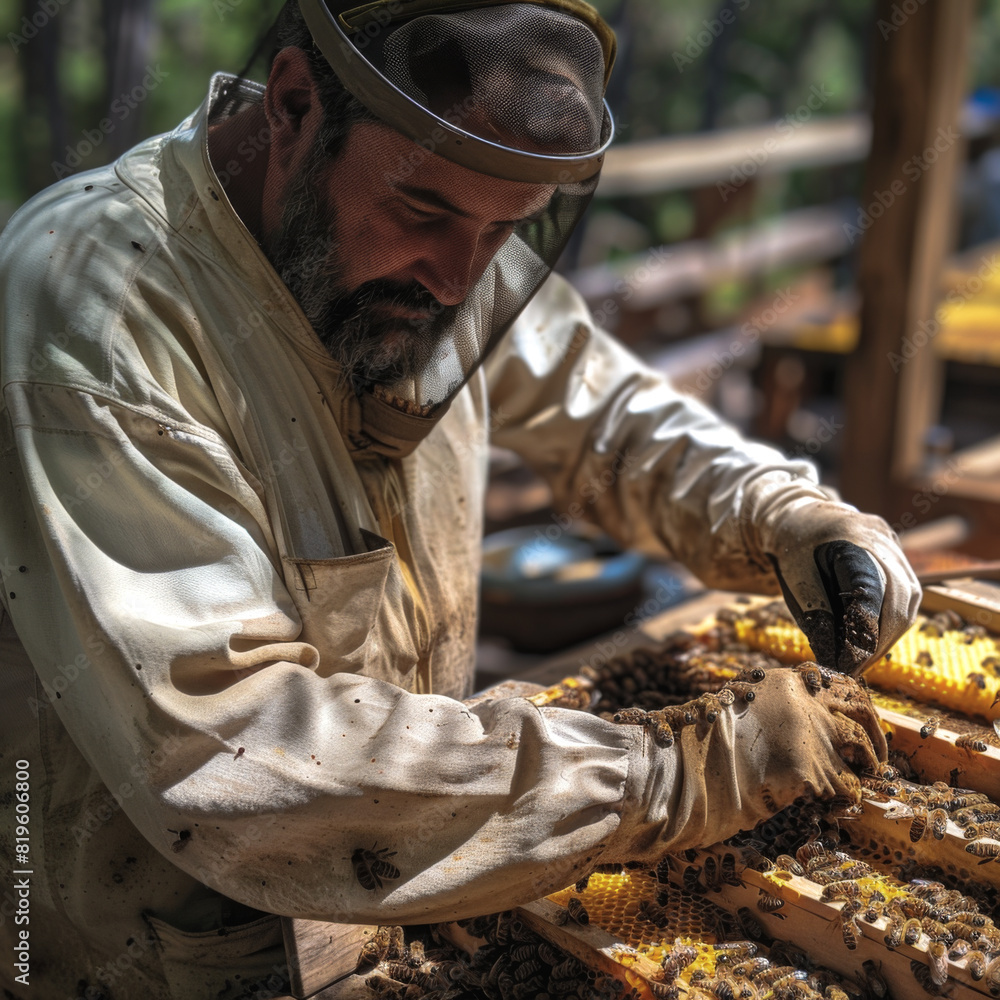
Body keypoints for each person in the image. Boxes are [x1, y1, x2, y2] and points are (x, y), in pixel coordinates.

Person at [0, 0, 919, 997]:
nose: (457, 278)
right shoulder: (93, 299)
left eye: (507, 230)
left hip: (402, 910)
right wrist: (675, 772)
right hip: (142, 958)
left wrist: (776, 509)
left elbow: (606, 412)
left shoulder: (452, 238)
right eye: (423, 212)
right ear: (297, 108)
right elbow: (233, 745)